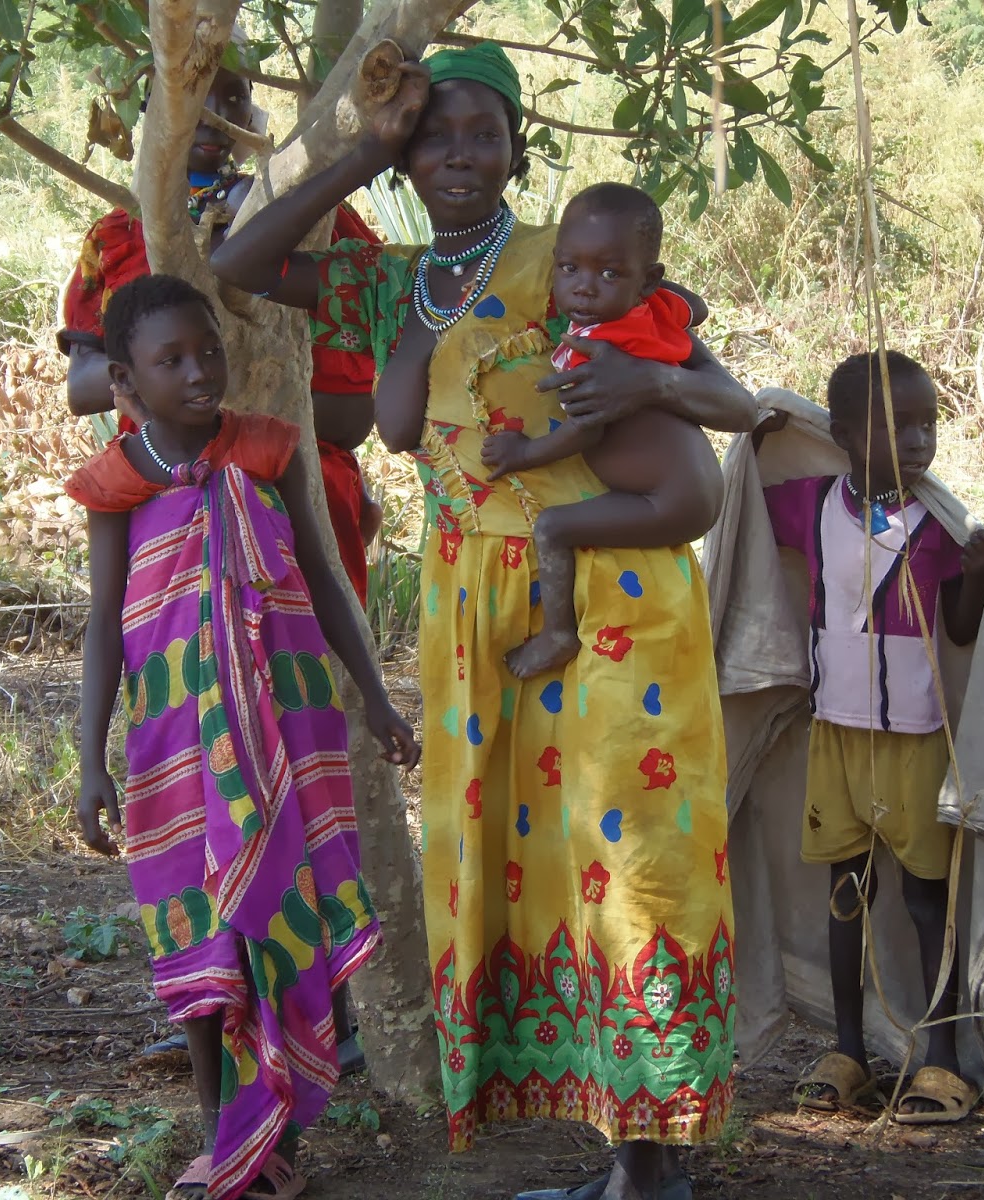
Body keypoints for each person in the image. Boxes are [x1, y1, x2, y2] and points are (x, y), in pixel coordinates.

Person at [212, 42, 759, 1200]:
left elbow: (727, 399)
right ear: (407, 153)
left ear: (520, 148)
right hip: (474, 614)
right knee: (532, 878)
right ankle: (623, 1170)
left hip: (606, 606)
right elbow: (240, 258)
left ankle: (654, 1170)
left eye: (484, 134)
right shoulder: (390, 280)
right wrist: (356, 151)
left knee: (630, 868)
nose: (461, 155)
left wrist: (654, 385)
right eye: (435, 135)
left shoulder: (570, 263)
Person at [67, 274, 420, 1199]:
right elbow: (106, 625)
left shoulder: (266, 450)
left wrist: (376, 699)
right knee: (201, 932)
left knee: (281, 915)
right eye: (170, 360)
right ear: (127, 379)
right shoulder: (117, 483)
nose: (198, 372)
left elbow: (322, 575)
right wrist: (88, 761)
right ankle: (221, 1136)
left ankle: (284, 1150)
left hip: (288, 730)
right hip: (176, 745)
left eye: (208, 351)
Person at [753, 351, 984, 1124]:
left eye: (931, 422)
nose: (923, 439)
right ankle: (849, 1051)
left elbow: (958, 630)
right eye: (904, 425)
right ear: (849, 435)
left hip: (915, 741)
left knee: (929, 899)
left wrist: (981, 572)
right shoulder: (814, 503)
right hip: (837, 737)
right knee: (845, 893)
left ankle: (941, 1058)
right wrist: (765, 422)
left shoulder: (938, 525)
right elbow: (742, 498)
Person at [56, 63, 385, 606]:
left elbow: (351, 409)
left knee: (310, 619)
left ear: (252, 114)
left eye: (232, 98)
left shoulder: (304, 219)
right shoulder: (116, 237)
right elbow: (82, 386)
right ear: (153, 111)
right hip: (164, 467)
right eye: (192, 97)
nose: (214, 117)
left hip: (294, 465)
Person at [462, 182, 721, 677]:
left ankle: (558, 634)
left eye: (608, 272)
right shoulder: (651, 313)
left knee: (553, 527)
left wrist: (523, 453)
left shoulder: (600, 351)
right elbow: (699, 309)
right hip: (692, 483)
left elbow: (587, 434)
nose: (583, 287)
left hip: (671, 499)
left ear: (647, 280)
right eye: (569, 268)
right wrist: (634, 283)